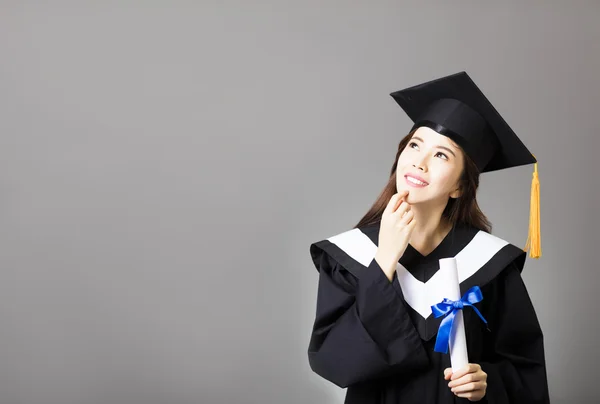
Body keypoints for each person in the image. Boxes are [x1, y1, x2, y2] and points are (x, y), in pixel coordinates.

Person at [307, 72, 550, 403]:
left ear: (459, 186)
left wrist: (487, 381)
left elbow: (525, 370)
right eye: (414, 145)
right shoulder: (349, 257)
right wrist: (384, 261)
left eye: (441, 155)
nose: (419, 163)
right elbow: (334, 361)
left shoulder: (490, 264)